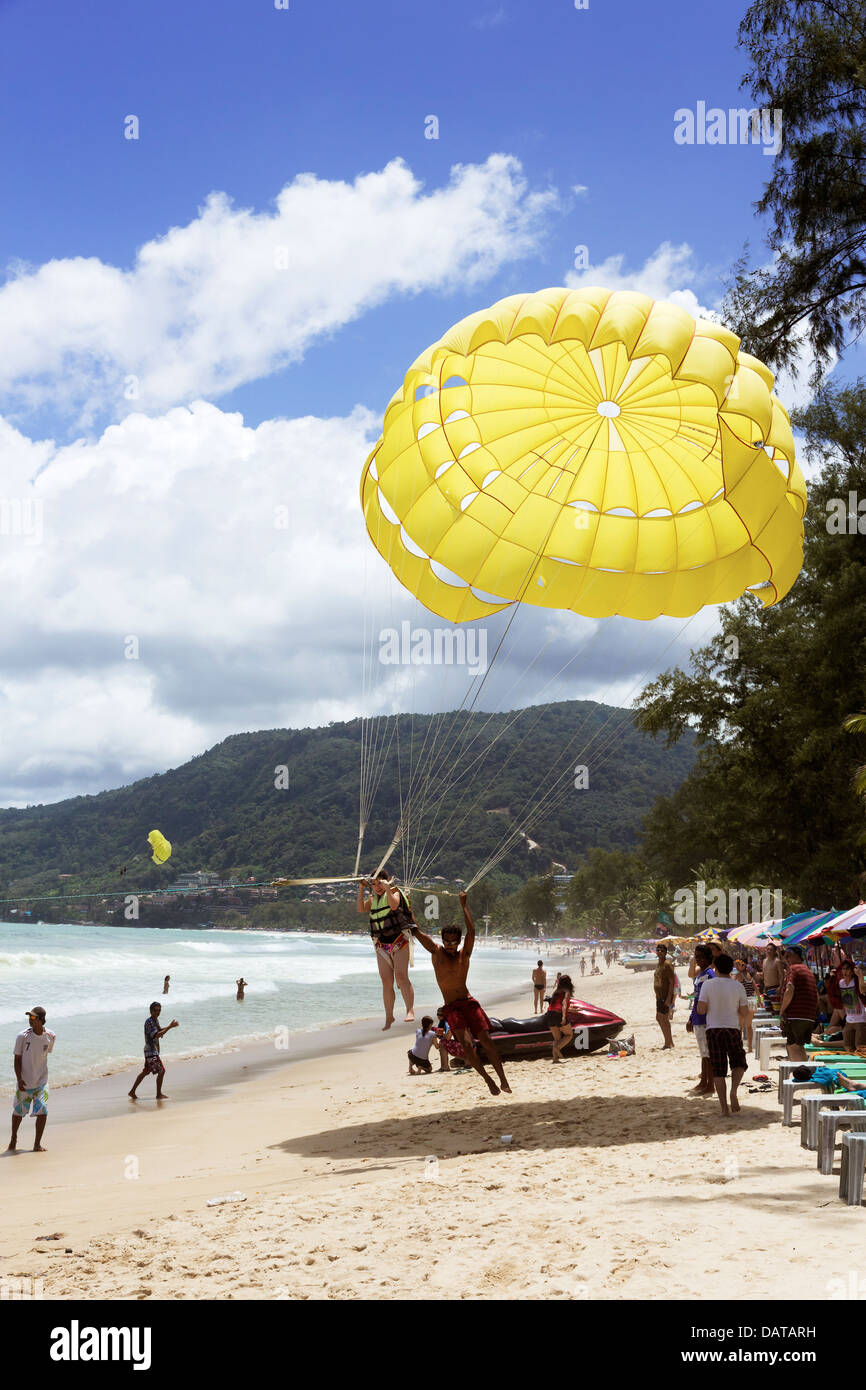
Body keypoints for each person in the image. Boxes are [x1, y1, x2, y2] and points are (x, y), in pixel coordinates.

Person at [410, 892, 511, 1097]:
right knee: (466, 1045)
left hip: (468, 1002)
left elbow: (472, 932)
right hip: (452, 1007)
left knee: (486, 1041)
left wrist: (464, 905)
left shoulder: (464, 955)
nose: (450, 945)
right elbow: (416, 931)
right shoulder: (437, 953)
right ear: (442, 940)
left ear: (458, 941)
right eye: (447, 941)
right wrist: (408, 906)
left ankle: (503, 1079)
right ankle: (488, 1079)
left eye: (454, 942)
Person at [357, 871, 415, 1030]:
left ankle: (410, 1010)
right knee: (386, 981)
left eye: (380, 883)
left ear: (387, 881)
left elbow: (394, 905)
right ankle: (389, 1016)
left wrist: (388, 888)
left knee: (401, 976)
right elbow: (361, 909)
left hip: (399, 941)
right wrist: (361, 888)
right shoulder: (373, 899)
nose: (377, 887)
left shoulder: (394, 892)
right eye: (374, 884)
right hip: (381, 945)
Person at [696, 953, 749, 1116]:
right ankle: (733, 1091)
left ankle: (724, 1108)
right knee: (739, 1063)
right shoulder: (738, 986)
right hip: (732, 1028)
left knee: (718, 1069)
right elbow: (744, 1012)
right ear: (731, 968)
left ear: (715, 967)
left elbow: (701, 1009)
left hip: (714, 1029)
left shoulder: (707, 985)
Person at [7, 1007, 55, 1153]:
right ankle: (13, 1138)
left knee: (43, 1111)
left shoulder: (51, 1036)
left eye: (33, 1018)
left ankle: (36, 1144)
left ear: (41, 1020)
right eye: (29, 1017)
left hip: (42, 1081)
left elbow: (45, 1054)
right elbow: (17, 1059)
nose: (30, 1020)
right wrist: (19, 1079)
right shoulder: (22, 1036)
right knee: (18, 1113)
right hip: (25, 1082)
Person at [128, 1002, 178, 1100]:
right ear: (150, 1011)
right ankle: (158, 1094)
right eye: (155, 1010)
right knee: (162, 1071)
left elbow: (159, 1030)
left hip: (150, 1051)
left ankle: (132, 1092)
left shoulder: (155, 1020)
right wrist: (170, 1027)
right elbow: (157, 1035)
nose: (157, 1012)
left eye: (159, 1010)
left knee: (146, 1071)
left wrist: (169, 1027)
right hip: (151, 1052)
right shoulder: (149, 1022)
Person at [778, 946, 818, 1062]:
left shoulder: (794, 969)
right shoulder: (808, 971)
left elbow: (789, 990)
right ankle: (804, 1074)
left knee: (792, 1046)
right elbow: (816, 996)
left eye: (788, 955)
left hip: (796, 1015)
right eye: (785, 956)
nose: (786, 958)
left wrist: (782, 1011)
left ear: (797, 955)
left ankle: (799, 1075)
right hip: (808, 1016)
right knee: (799, 1045)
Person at [685, 945, 715, 1095]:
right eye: (696, 956)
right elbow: (696, 999)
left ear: (708, 958)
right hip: (698, 1018)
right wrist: (691, 1018)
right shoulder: (700, 974)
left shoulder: (710, 975)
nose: (698, 959)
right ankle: (704, 1081)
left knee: (708, 1054)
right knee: (703, 1053)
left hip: (706, 1019)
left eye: (701, 956)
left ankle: (710, 1084)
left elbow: (710, 999)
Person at [546, 973, 575, 1063]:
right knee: (569, 1035)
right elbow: (564, 1004)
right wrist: (563, 1017)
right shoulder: (566, 991)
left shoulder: (556, 991)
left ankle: (555, 1059)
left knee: (557, 1039)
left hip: (549, 1014)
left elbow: (555, 1005)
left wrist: (574, 1010)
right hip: (558, 1015)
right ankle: (557, 1048)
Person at [838, 959, 866, 1050]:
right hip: (849, 1020)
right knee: (847, 1047)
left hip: (861, 1020)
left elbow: (863, 990)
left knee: (860, 1048)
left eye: (847, 969)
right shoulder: (841, 983)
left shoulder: (856, 981)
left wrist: (860, 975)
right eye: (843, 969)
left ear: (852, 970)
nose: (845, 971)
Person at [732, 958, 757, 1052]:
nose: (736, 967)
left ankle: (739, 1046)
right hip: (752, 1001)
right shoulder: (749, 975)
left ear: (742, 965)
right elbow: (756, 989)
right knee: (749, 1026)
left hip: (743, 1002)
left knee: (740, 1026)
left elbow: (732, 985)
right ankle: (750, 1047)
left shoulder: (738, 975)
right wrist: (760, 1002)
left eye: (737, 965)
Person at [654, 944, 676, 1049]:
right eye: (658, 950)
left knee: (662, 1018)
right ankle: (668, 1042)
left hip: (665, 995)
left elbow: (672, 982)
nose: (659, 952)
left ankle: (669, 1043)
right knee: (660, 1018)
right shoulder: (659, 964)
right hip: (659, 996)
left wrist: (669, 998)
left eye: (662, 951)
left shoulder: (667, 964)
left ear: (665, 952)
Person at [762, 942, 784, 1013]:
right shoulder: (764, 961)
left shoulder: (777, 961)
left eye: (770, 950)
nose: (768, 951)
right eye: (767, 949)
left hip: (775, 988)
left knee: (776, 1011)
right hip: (766, 988)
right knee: (768, 1010)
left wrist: (780, 987)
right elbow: (765, 974)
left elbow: (781, 975)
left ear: (775, 951)